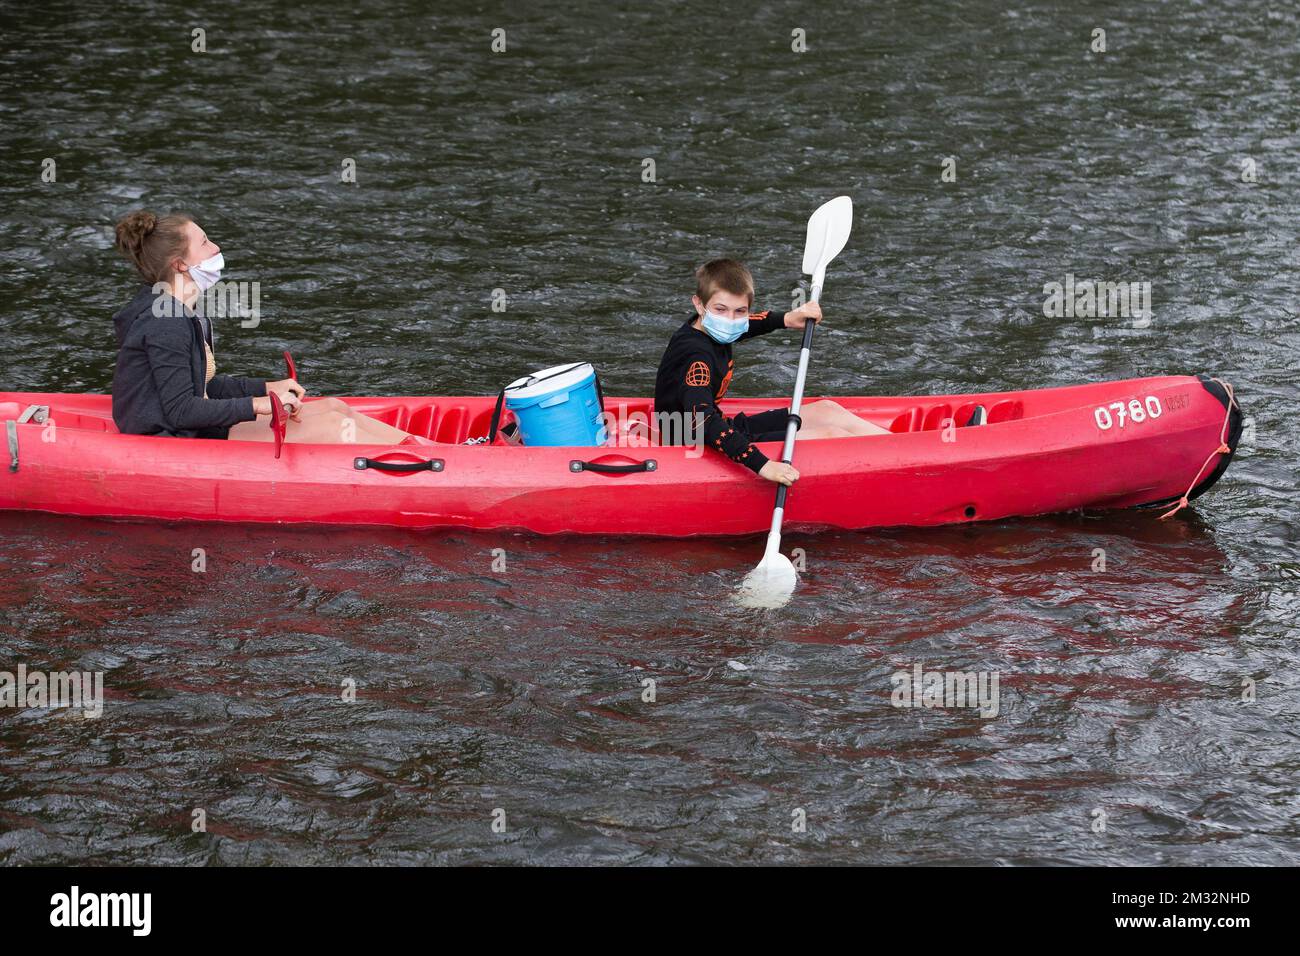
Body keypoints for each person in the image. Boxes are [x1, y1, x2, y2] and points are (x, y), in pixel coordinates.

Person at [110, 211, 431, 445]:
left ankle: (432, 451)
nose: (216, 248)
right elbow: (181, 410)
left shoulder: (179, 310)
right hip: (170, 437)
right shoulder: (166, 322)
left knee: (335, 408)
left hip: (190, 425)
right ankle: (433, 465)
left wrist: (267, 388)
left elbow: (200, 387)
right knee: (333, 428)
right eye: (205, 242)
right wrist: (258, 406)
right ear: (180, 265)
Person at [653, 258, 890, 487]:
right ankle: (899, 465)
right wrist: (763, 466)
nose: (731, 319)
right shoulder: (696, 356)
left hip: (718, 427)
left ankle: (903, 447)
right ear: (699, 304)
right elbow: (702, 421)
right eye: (721, 309)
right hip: (695, 442)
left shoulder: (707, 326)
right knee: (831, 435)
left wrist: (786, 319)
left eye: (740, 311)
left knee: (827, 410)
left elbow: (745, 325)